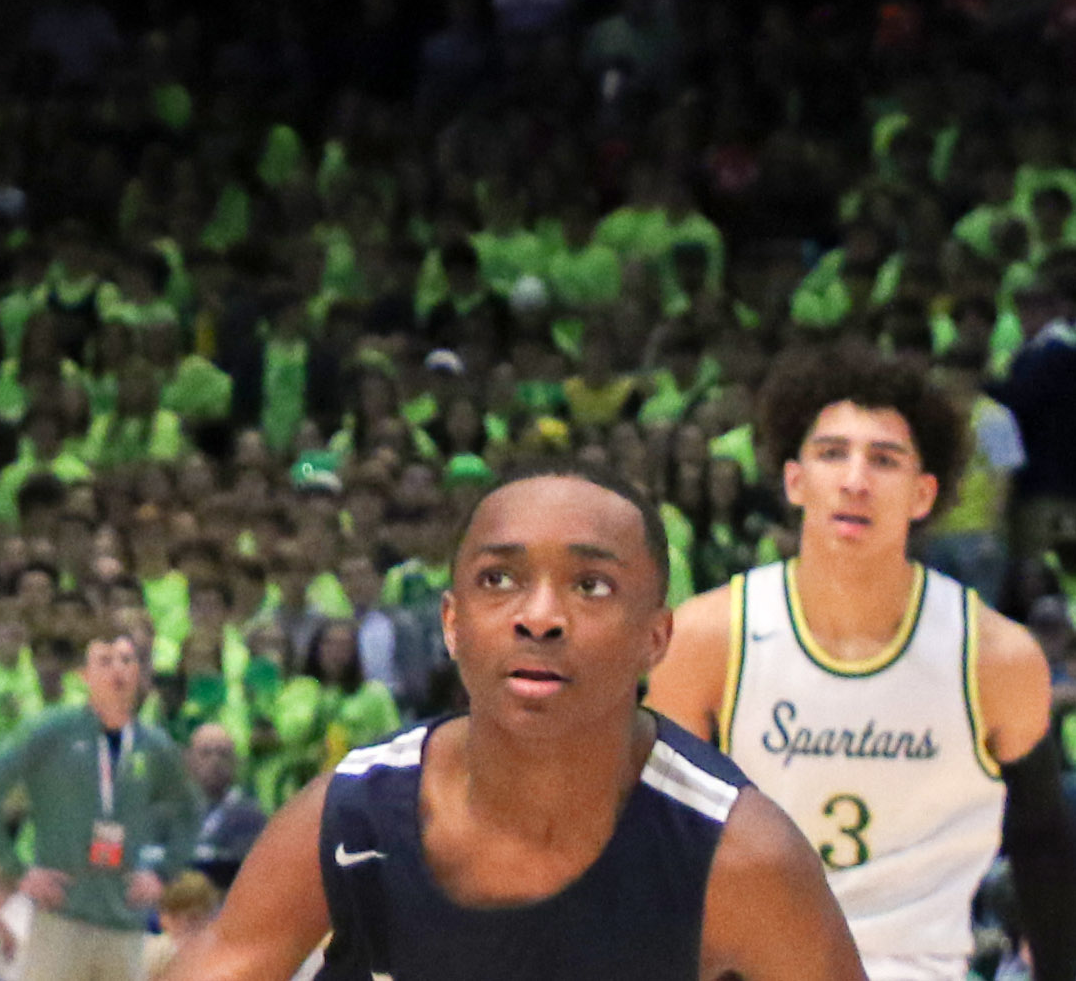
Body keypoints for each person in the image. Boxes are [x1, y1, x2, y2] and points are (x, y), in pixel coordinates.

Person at [168, 464, 861, 980]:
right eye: (498, 579)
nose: (538, 615)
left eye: (590, 585)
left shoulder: (741, 857)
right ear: (451, 622)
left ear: (655, 636)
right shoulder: (353, 815)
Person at [649, 345, 1076, 981]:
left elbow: (1042, 846)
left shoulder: (996, 656)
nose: (855, 479)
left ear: (925, 493)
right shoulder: (708, 640)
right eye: (832, 454)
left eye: (884, 459)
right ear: (794, 480)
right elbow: (658, 850)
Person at [0, 631, 201, 981]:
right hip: (61, 916)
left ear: (140, 675)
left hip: (124, 920)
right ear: (84, 675)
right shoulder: (51, 732)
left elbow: (190, 811)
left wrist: (163, 873)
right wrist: (16, 870)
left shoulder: (154, 745)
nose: (117, 671)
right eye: (104, 661)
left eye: (127, 661)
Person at [181, 724, 266, 890]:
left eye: (223, 754)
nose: (215, 761)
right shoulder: (170, 812)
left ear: (236, 762)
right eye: (205, 753)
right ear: (188, 760)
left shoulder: (252, 818)